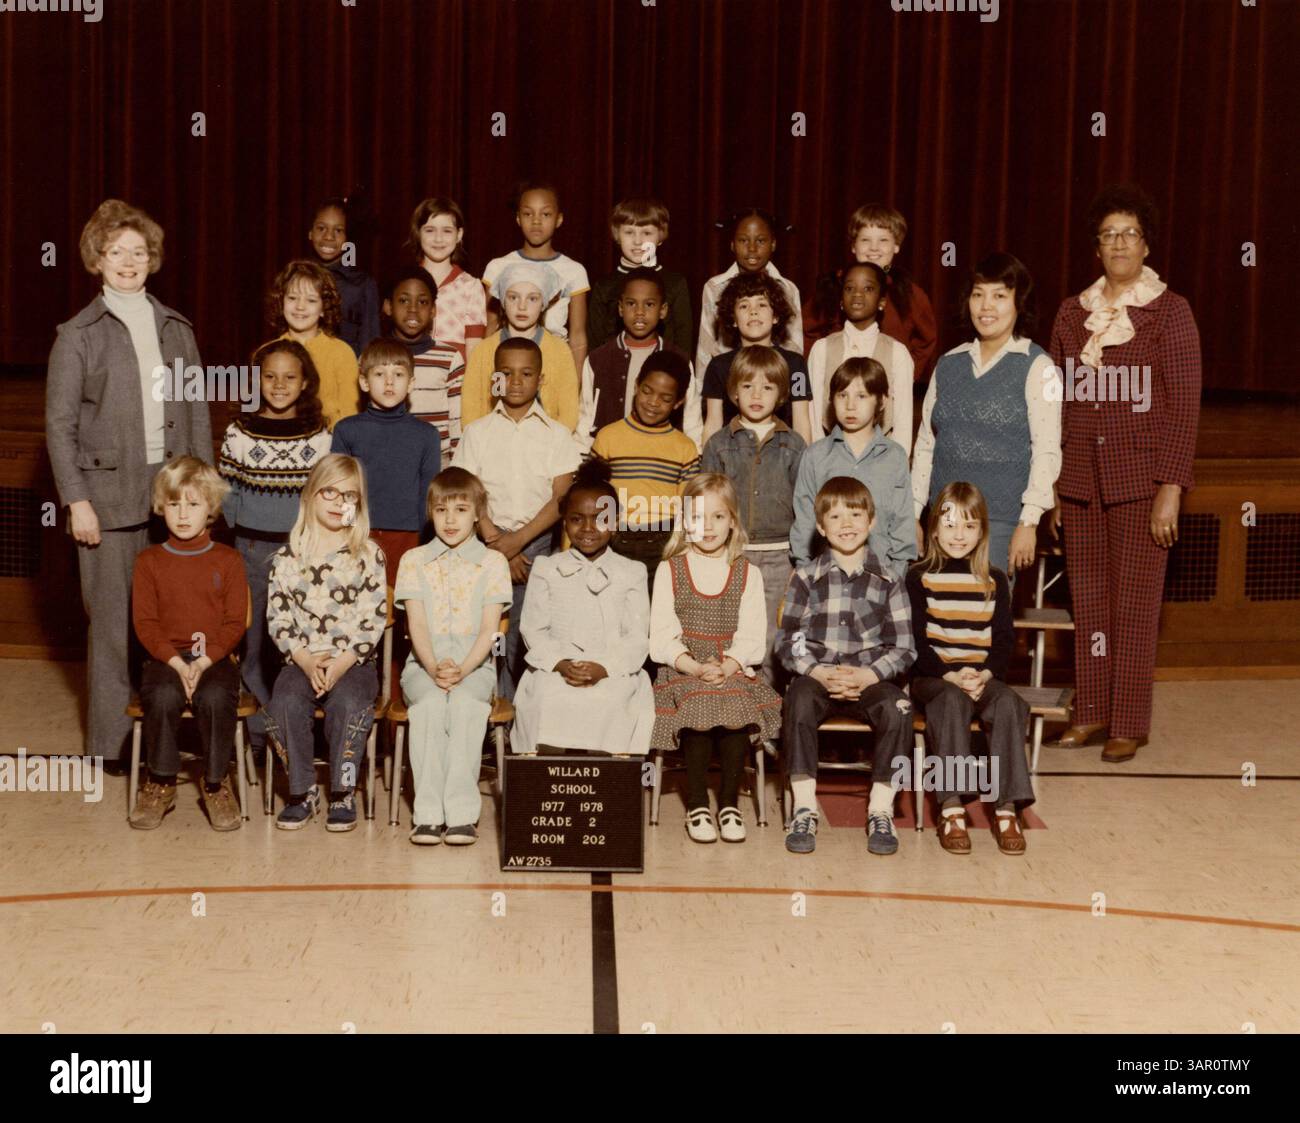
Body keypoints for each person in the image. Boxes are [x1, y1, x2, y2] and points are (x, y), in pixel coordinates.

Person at [45, 198, 214, 771]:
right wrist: (77, 501)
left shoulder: (175, 327)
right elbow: (59, 425)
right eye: (116, 252)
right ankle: (113, 745)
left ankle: (170, 733)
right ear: (97, 258)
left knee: (174, 615)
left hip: (172, 495)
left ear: (152, 259)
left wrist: (203, 494)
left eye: (138, 252)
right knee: (115, 623)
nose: (128, 261)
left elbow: (196, 410)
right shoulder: (78, 334)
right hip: (107, 500)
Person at [1048, 184, 1202, 763]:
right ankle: (1090, 711)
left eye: (1129, 234)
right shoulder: (1071, 313)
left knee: (1135, 607)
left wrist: (1171, 489)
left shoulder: (1171, 310)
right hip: (1081, 480)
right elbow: (1060, 399)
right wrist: (1058, 487)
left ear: (1145, 245)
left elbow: (1184, 404)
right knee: (1089, 604)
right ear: (1096, 247)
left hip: (1142, 482)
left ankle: (1129, 722)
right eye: (1109, 234)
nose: (1119, 243)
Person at [775, 476, 916, 856]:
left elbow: (904, 647)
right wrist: (817, 671)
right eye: (835, 517)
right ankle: (804, 807)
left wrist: (868, 675)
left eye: (855, 514)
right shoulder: (805, 578)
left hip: (870, 679)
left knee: (899, 708)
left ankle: (881, 809)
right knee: (798, 699)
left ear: (871, 521)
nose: (847, 524)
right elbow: (788, 639)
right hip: (820, 676)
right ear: (820, 527)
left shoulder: (889, 580)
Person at [649, 473, 782, 843]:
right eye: (697, 517)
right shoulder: (670, 569)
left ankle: (728, 803)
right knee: (697, 701)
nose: (707, 527)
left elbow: (754, 638)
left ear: (733, 522)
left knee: (736, 700)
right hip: (683, 669)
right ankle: (695, 804)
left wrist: (727, 666)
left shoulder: (747, 573)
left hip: (731, 667)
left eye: (718, 517)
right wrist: (693, 666)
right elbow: (660, 638)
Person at [912, 252, 1061, 578]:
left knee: (987, 617)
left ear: (1018, 303)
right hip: (945, 517)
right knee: (941, 614)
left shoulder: (1039, 366)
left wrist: (1029, 521)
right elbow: (926, 444)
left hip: (1002, 519)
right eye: (978, 295)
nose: (986, 306)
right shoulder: (948, 363)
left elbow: (1047, 449)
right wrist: (914, 514)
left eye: (999, 296)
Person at [906, 481, 1033, 855]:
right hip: (935, 677)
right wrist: (949, 675)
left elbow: (1004, 639)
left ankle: (1007, 810)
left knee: (1008, 703)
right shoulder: (919, 577)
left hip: (981, 676)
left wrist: (986, 674)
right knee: (949, 701)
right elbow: (915, 641)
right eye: (949, 525)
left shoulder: (994, 580)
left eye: (969, 525)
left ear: (982, 531)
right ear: (933, 529)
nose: (958, 535)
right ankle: (952, 808)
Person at [218, 340, 331, 758]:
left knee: (293, 646)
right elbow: (227, 493)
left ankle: (296, 732)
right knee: (251, 645)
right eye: (269, 376)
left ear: (304, 384)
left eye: (289, 377)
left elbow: (323, 495)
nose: (279, 385)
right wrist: (240, 539)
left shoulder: (319, 436)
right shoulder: (239, 432)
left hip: (301, 553)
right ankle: (261, 735)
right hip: (249, 549)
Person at [264, 455, 388, 832]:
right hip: (300, 661)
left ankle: (343, 790)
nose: (338, 503)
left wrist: (340, 663)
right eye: (329, 492)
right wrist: (303, 659)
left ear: (359, 505)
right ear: (310, 497)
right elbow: (279, 619)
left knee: (350, 704)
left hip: (354, 663)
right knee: (283, 702)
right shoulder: (286, 559)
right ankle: (301, 792)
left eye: (348, 496)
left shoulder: (368, 556)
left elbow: (372, 620)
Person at [453, 337, 580, 699]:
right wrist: (496, 542)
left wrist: (517, 542)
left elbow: (560, 500)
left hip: (536, 544)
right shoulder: (477, 433)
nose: (516, 381)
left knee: (526, 632)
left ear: (541, 380)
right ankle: (494, 708)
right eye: (506, 374)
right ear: (493, 378)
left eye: (526, 374)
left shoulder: (558, 435)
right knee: (489, 629)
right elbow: (466, 492)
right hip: (483, 541)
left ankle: (523, 713)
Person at [395, 468, 512, 846]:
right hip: (423, 665)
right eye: (441, 509)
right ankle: (427, 814)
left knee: (465, 708)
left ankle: (461, 814)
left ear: (478, 513)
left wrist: (462, 669)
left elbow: (490, 631)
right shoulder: (413, 560)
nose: (450, 520)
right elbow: (417, 626)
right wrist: (432, 667)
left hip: (475, 666)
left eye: (461, 509)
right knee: (427, 707)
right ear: (430, 512)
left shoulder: (493, 563)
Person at [129, 458, 247, 830]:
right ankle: (161, 781)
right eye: (174, 504)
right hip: (165, 659)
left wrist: (205, 661)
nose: (182, 515)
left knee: (214, 698)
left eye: (193, 504)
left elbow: (233, 624)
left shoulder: (229, 560)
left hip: (214, 660)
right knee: (163, 696)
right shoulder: (148, 561)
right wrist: (180, 665)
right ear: (161, 507)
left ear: (210, 508)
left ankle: (215, 783)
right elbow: (144, 624)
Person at [512, 460, 655, 756]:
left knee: (615, 699)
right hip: (556, 665)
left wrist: (605, 667)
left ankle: (605, 787)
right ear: (564, 521)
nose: (588, 528)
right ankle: (553, 784)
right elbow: (533, 630)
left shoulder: (632, 571)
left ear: (615, 521)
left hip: (612, 668)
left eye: (600, 519)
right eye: (577, 519)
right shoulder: (546, 568)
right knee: (545, 696)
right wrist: (561, 664)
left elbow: (637, 637)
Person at [701, 347, 805, 684]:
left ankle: (769, 720)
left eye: (767, 387)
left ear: (782, 395)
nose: (757, 395)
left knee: (772, 637)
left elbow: (804, 505)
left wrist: (800, 559)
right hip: (733, 554)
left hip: (779, 557)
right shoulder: (718, 444)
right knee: (732, 635)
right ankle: (736, 717)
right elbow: (706, 505)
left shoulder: (794, 444)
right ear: (733, 392)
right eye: (747, 386)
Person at [791, 357, 915, 577]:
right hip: (826, 578)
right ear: (831, 400)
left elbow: (902, 525)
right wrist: (804, 571)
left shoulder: (894, 457)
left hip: (881, 578)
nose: (850, 405)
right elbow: (804, 522)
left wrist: (897, 576)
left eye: (862, 396)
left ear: (882, 401)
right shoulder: (815, 456)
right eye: (842, 395)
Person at [331, 339, 440, 580]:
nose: (389, 382)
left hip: (409, 538)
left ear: (411, 383)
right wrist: (346, 533)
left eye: (398, 374)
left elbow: (428, 496)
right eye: (380, 373)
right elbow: (343, 488)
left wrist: (425, 545)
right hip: (360, 534)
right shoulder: (346, 430)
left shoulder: (427, 435)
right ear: (364, 382)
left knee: (403, 610)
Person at [591, 351, 700, 586]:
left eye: (665, 398)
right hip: (614, 539)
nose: (653, 402)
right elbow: (592, 497)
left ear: (678, 402)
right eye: (647, 391)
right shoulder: (607, 437)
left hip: (663, 545)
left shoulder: (685, 448)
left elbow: (688, 511)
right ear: (636, 386)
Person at [804, 204, 938, 379]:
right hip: (838, 388)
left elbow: (926, 341)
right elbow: (807, 331)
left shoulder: (910, 294)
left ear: (896, 246)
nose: (874, 248)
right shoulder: (833, 286)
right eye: (865, 240)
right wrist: (820, 373)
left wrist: (904, 375)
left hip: (888, 388)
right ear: (853, 246)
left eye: (883, 240)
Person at [577, 267, 694, 450]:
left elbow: (692, 424)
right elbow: (584, 423)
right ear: (620, 308)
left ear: (663, 310)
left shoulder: (679, 360)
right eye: (631, 304)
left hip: (663, 460)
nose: (640, 312)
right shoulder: (597, 360)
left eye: (649, 304)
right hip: (611, 460)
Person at [481, 181, 590, 370]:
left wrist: (576, 383)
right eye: (528, 214)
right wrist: (491, 379)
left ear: (559, 219)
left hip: (554, 363)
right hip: (508, 362)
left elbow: (578, 335)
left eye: (546, 214)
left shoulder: (574, 270)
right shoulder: (498, 267)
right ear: (518, 218)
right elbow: (491, 327)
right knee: (502, 398)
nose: (536, 221)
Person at [460, 260, 579, 431]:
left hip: (545, 446)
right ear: (502, 301)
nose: (522, 306)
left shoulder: (559, 351)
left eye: (532, 298)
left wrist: (553, 444)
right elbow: (471, 412)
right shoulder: (484, 350)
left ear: (543, 303)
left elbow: (569, 414)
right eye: (513, 297)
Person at [807, 261, 913, 448]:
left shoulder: (897, 352)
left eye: (868, 288)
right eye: (849, 288)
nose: (857, 294)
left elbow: (903, 425)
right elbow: (813, 416)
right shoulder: (822, 348)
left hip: (881, 460)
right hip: (830, 458)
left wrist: (894, 467)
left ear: (882, 302)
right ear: (841, 300)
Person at [699, 270, 812, 446]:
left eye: (762, 305)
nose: (753, 312)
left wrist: (804, 468)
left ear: (775, 316)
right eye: (744, 306)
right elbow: (712, 423)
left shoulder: (796, 364)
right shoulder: (718, 366)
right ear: (733, 319)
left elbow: (802, 421)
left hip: (782, 455)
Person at [696, 208, 803, 377]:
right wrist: (704, 395)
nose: (752, 248)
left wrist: (792, 394)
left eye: (761, 241)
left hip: (774, 381)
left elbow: (795, 346)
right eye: (743, 240)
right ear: (732, 244)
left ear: (773, 244)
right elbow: (706, 347)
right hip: (728, 380)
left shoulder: (788, 289)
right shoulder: (715, 287)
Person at [586, 196, 693, 355]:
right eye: (629, 232)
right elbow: (595, 343)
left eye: (647, 233)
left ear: (660, 237)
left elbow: (683, 343)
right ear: (617, 235)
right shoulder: (604, 286)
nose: (637, 241)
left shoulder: (675, 283)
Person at [380, 270, 464, 468]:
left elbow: (456, 420)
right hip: (386, 460)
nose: (413, 310)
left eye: (423, 302)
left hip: (437, 461)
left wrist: (456, 468)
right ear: (388, 307)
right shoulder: (373, 356)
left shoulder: (450, 357)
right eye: (403, 301)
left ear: (434, 310)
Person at [265, 259, 360, 429]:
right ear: (281, 303)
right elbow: (253, 409)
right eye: (293, 298)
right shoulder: (266, 353)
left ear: (324, 308)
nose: (300, 307)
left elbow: (350, 416)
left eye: (311, 300)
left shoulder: (342, 352)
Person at [409, 196, 488, 363]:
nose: (438, 239)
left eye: (447, 231)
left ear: (459, 234)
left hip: (454, 380)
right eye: (430, 230)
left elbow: (474, 349)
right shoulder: (406, 281)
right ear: (418, 232)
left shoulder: (471, 287)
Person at [306, 196, 380, 357]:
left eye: (338, 230)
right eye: (321, 228)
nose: (329, 236)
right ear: (310, 233)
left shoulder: (362, 284)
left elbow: (370, 344)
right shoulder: (296, 278)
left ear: (347, 237)